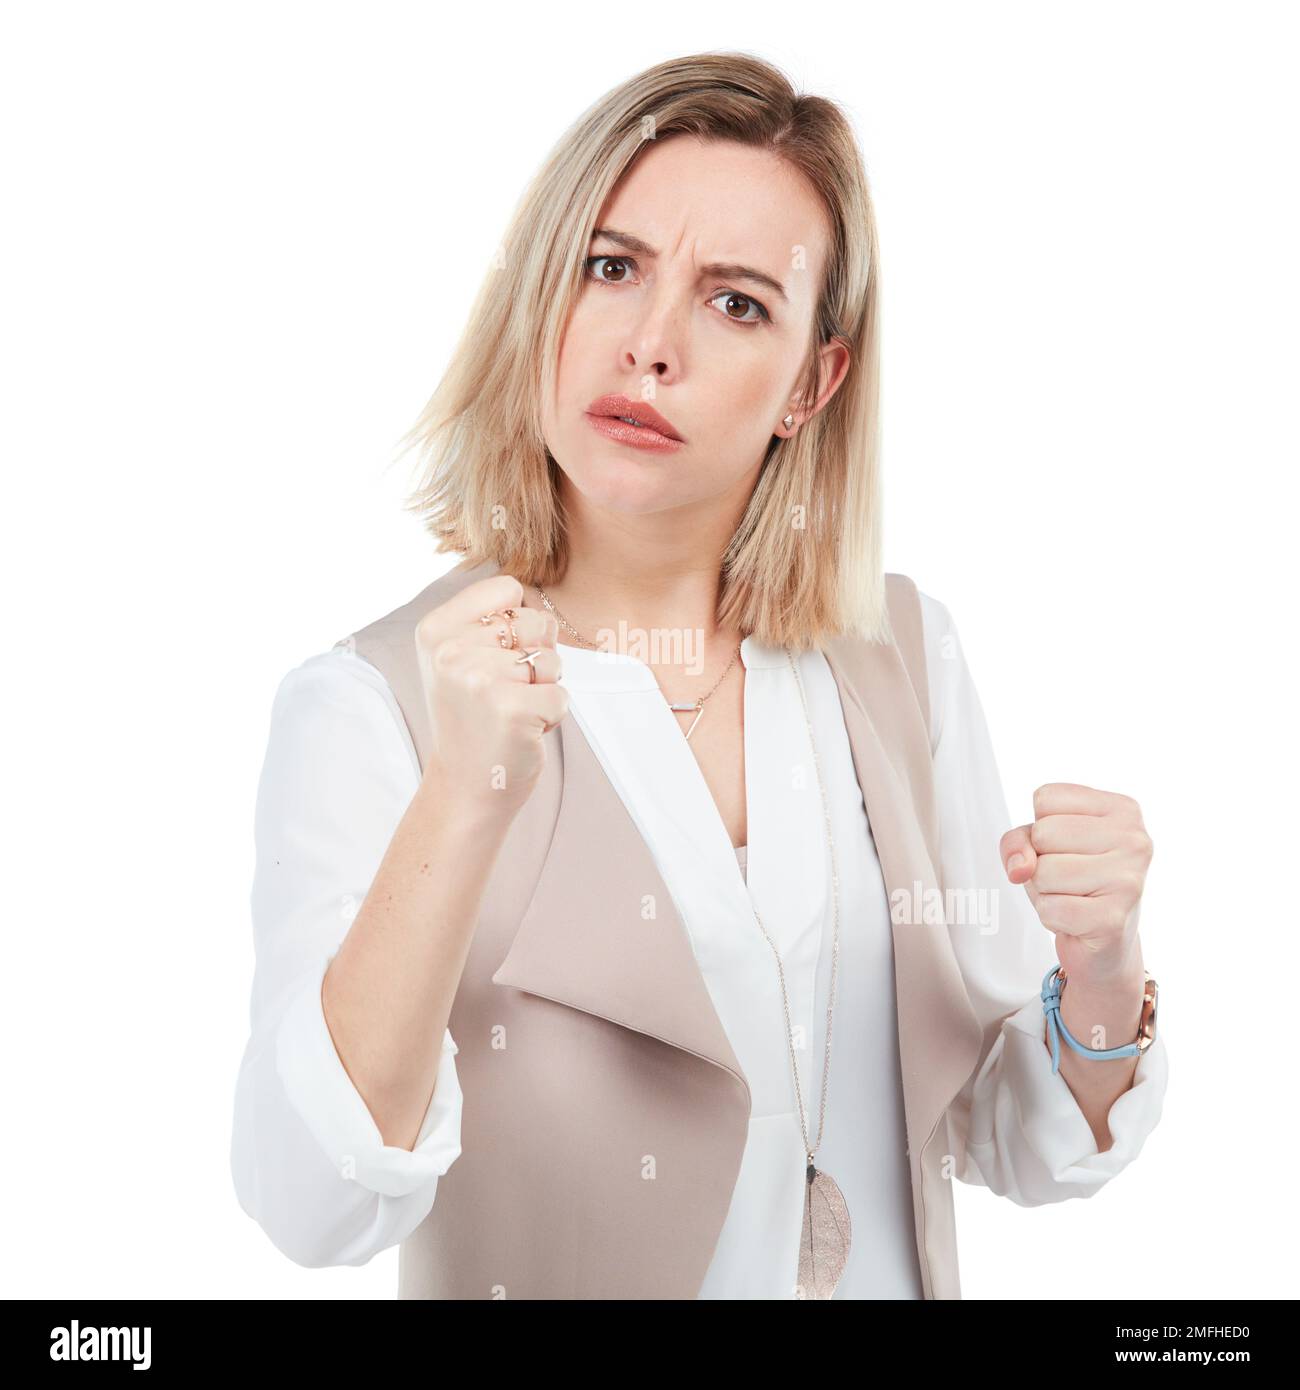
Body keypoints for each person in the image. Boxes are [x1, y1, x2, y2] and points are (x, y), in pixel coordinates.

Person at [230, 51, 1168, 1300]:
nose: (651, 345)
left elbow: (1001, 1130)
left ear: (810, 384)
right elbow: (311, 1197)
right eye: (610, 268)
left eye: (736, 303)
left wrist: (1101, 972)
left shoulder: (904, 660)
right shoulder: (373, 704)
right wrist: (461, 797)